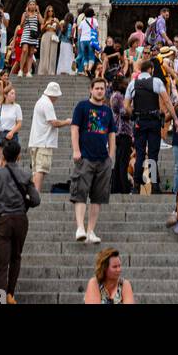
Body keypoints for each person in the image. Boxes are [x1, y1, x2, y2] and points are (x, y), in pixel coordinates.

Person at [0, 135, 40, 304]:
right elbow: (36, 200)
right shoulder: (25, 174)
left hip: (3, 221)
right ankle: (10, 294)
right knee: (16, 258)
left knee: (1, 265)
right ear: (19, 156)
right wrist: (24, 204)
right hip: (21, 220)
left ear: (3, 156)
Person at [70, 77, 115, 244]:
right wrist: (76, 150)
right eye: (97, 88)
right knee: (80, 192)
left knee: (98, 197)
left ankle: (91, 231)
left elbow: (111, 134)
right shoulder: (82, 107)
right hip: (85, 157)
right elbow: (74, 128)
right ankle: (80, 227)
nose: (99, 91)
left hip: (103, 159)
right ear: (91, 89)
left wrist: (111, 155)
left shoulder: (108, 111)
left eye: (102, 89)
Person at [125, 56, 176, 194]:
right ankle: (154, 185)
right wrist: (175, 119)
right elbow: (167, 102)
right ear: (150, 69)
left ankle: (136, 185)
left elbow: (126, 106)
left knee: (140, 153)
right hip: (153, 122)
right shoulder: (156, 81)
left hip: (139, 122)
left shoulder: (132, 84)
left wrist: (134, 114)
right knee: (153, 154)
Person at [28, 81, 72, 191]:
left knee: (35, 169)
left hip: (36, 141)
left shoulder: (40, 101)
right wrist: (67, 122)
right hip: (44, 142)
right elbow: (54, 123)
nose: (57, 98)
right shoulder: (47, 103)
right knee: (40, 169)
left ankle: (33, 192)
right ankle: (36, 193)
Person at [0, 85, 23, 169]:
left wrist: (12, 132)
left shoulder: (17, 107)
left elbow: (19, 123)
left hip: (11, 136)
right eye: (12, 93)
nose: (14, 95)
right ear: (5, 95)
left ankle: (5, 180)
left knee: (6, 164)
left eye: (14, 93)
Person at [15, 0, 43, 77]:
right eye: (30, 4)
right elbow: (21, 25)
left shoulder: (37, 14)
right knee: (24, 50)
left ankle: (28, 71)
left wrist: (38, 11)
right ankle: (21, 70)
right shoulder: (24, 14)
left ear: (36, 6)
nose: (32, 6)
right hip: (26, 34)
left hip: (33, 35)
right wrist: (26, 16)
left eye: (33, 4)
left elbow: (42, 22)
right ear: (28, 6)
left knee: (31, 53)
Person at [38, 6, 60, 75]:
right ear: (47, 12)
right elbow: (41, 29)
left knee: (53, 54)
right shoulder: (44, 20)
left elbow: (60, 29)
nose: (50, 12)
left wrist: (57, 23)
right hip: (46, 36)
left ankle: (51, 71)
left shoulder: (56, 19)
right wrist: (47, 23)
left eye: (52, 11)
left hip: (53, 36)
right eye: (49, 11)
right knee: (45, 53)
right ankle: (44, 71)